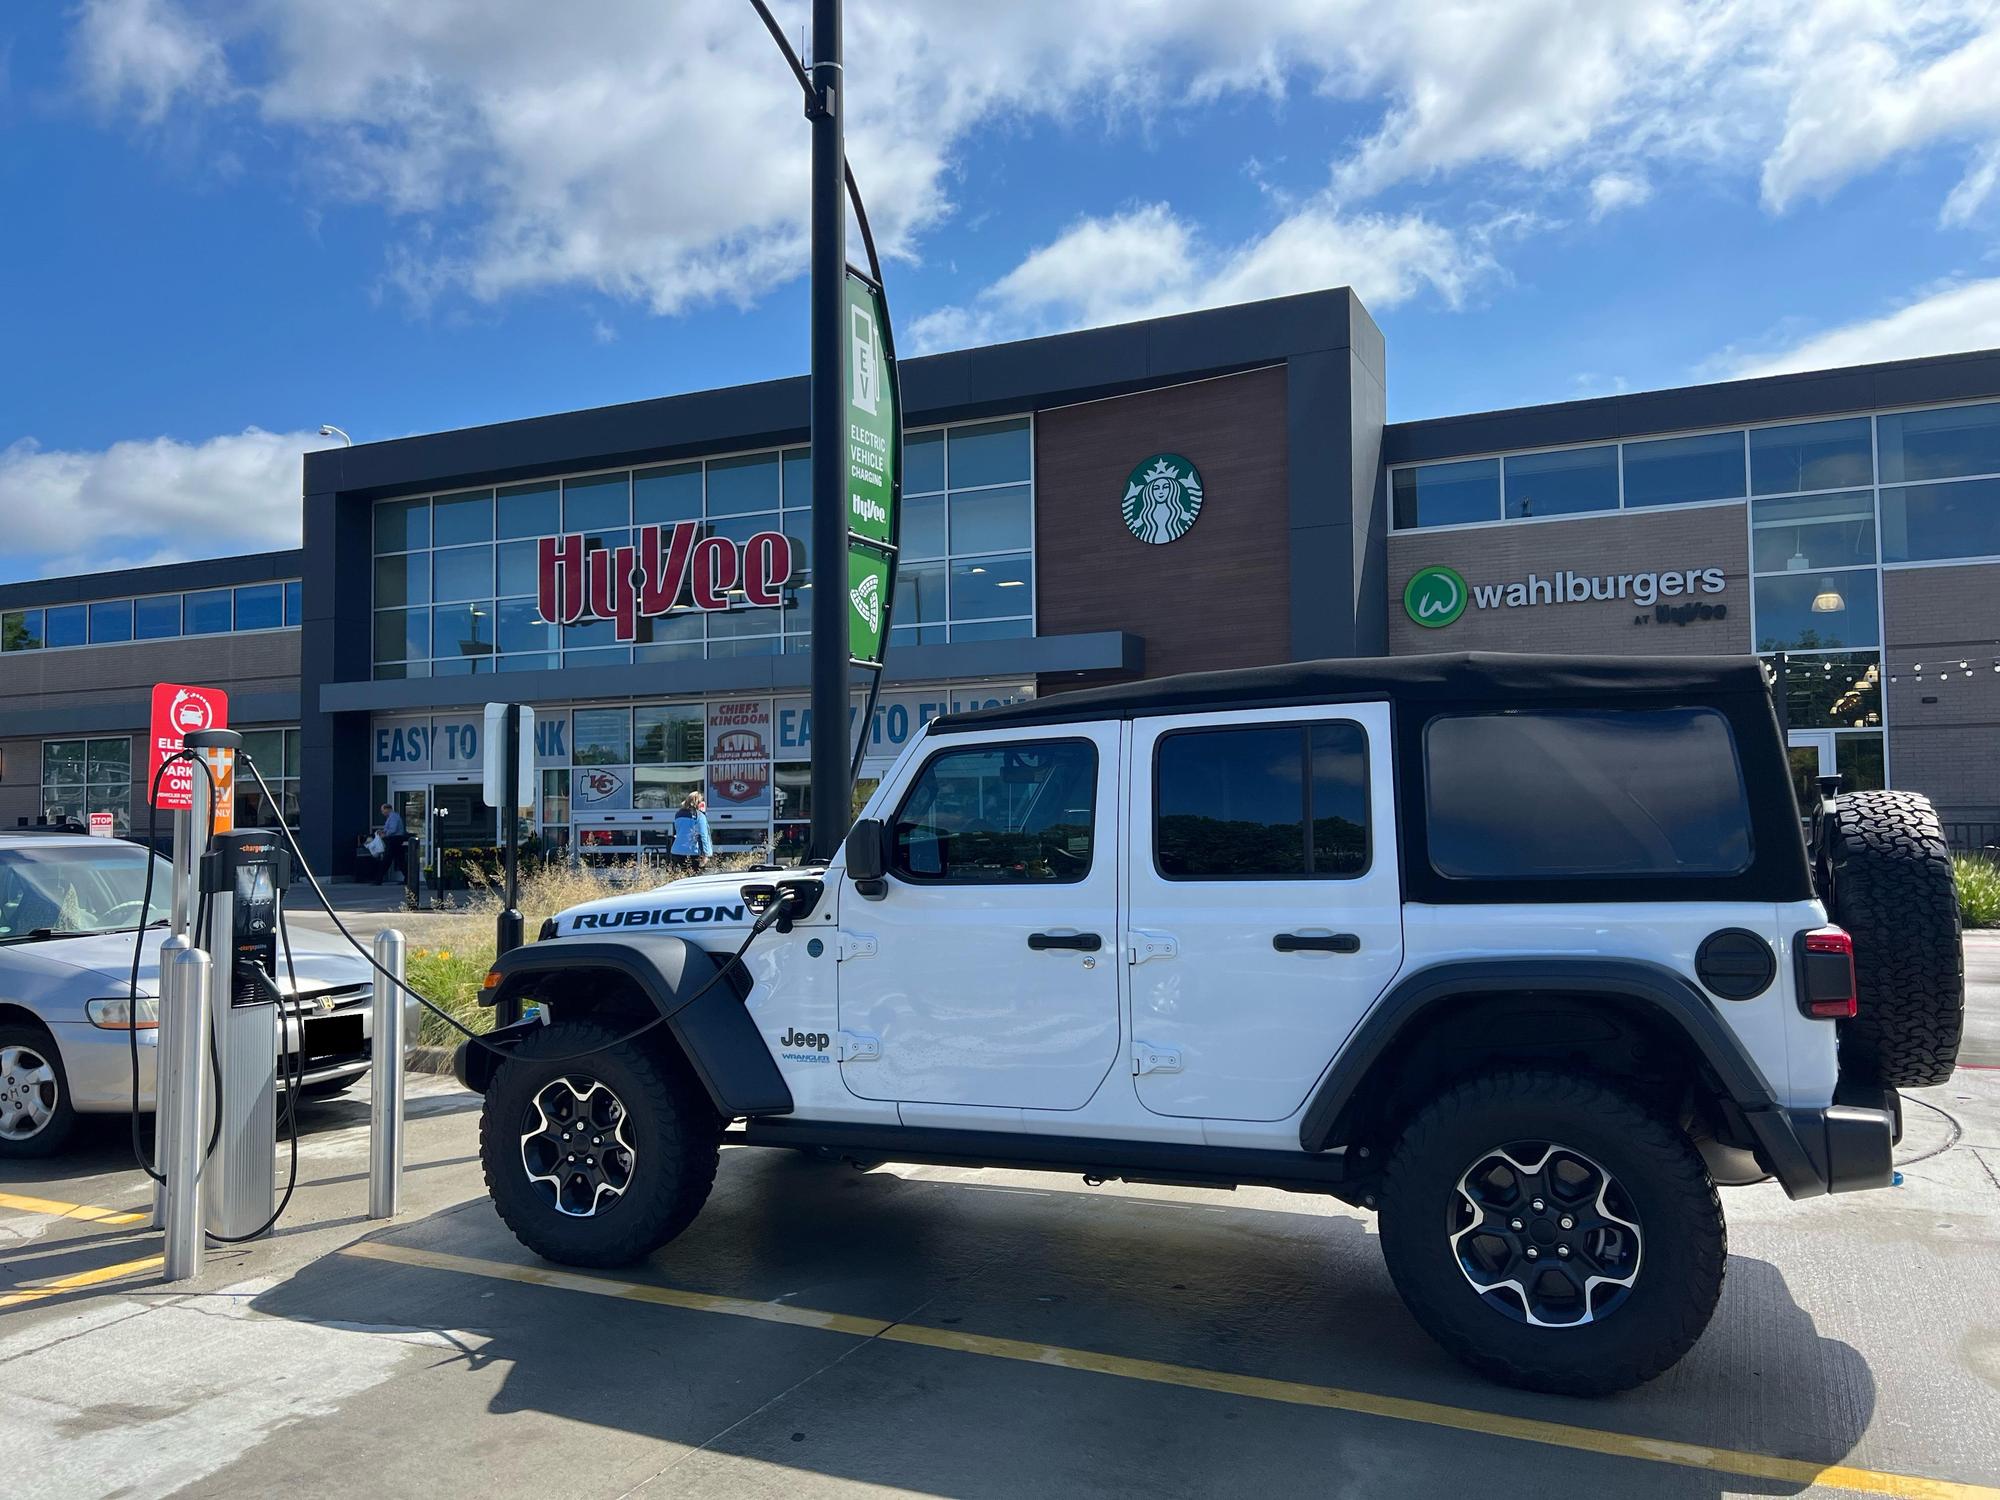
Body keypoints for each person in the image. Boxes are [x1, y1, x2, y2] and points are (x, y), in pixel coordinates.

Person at [670, 792, 712, 875]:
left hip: (676, 852)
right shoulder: (699, 816)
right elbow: (701, 835)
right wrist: (705, 855)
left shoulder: (678, 814)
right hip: (694, 853)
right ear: (699, 803)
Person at [376, 801, 408, 885]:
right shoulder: (392, 817)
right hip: (395, 840)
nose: (382, 813)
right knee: (400, 860)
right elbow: (389, 828)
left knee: (387, 859)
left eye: (383, 811)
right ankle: (408, 878)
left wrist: (385, 834)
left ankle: (379, 879)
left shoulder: (393, 817)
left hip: (395, 840)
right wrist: (383, 831)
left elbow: (393, 829)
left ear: (387, 809)